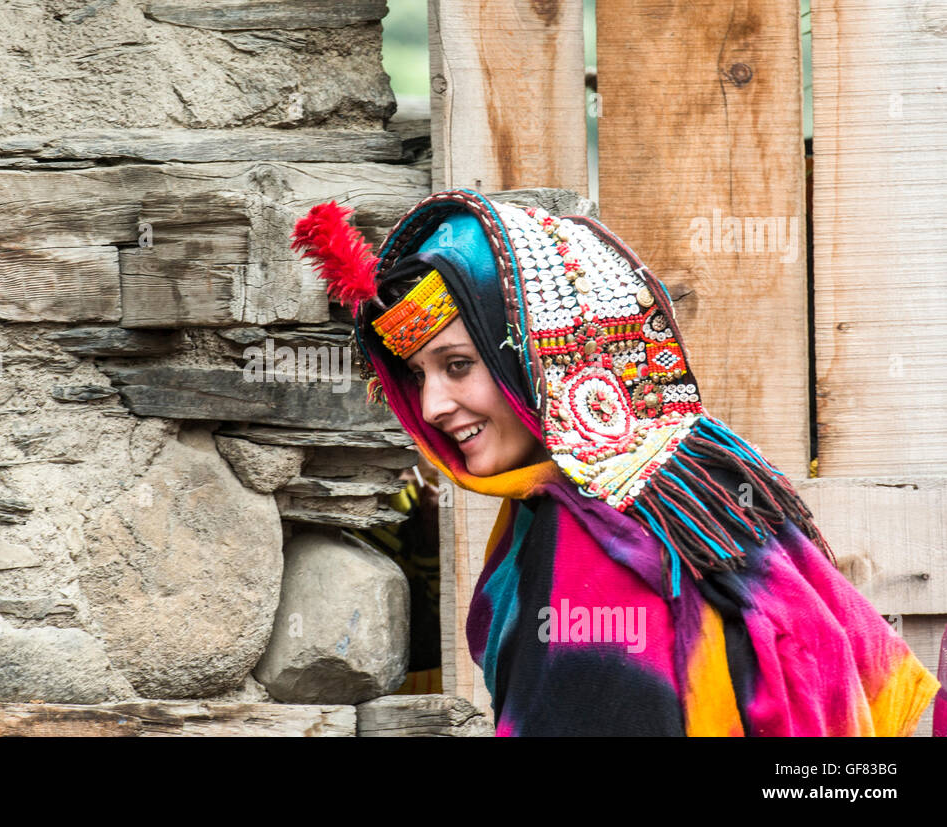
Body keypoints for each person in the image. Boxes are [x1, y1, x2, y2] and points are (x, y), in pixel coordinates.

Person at [291, 188, 940, 736]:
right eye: (416, 375)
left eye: (458, 365)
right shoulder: (691, 475)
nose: (432, 404)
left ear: (540, 353)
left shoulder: (588, 543)